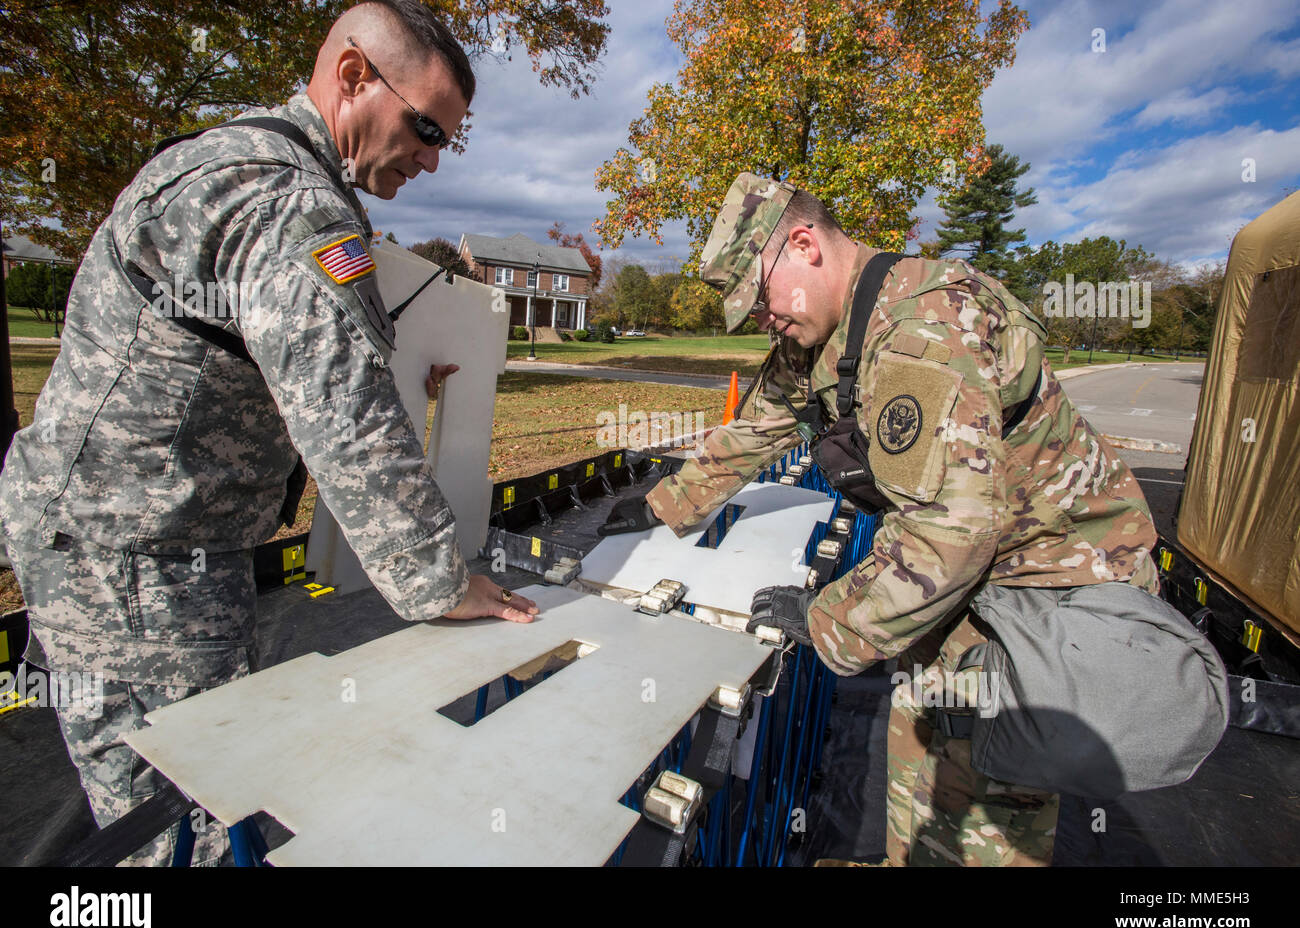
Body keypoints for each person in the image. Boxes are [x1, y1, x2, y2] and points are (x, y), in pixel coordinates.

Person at [0, 0, 536, 866]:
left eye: (448, 143)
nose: (433, 159)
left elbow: (281, 360)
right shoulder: (291, 202)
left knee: (206, 787)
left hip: (141, 541)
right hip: (137, 561)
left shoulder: (244, 165)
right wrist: (443, 580)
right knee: (192, 823)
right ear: (354, 75)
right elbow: (344, 411)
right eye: (426, 126)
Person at [600, 173, 1162, 866]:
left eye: (762, 302)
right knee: (922, 750)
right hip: (970, 578)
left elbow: (955, 532)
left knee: (981, 811)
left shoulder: (919, 334)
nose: (762, 322)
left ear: (804, 244)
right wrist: (661, 507)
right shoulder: (829, 332)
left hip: (1047, 586)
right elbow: (757, 429)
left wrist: (826, 618)